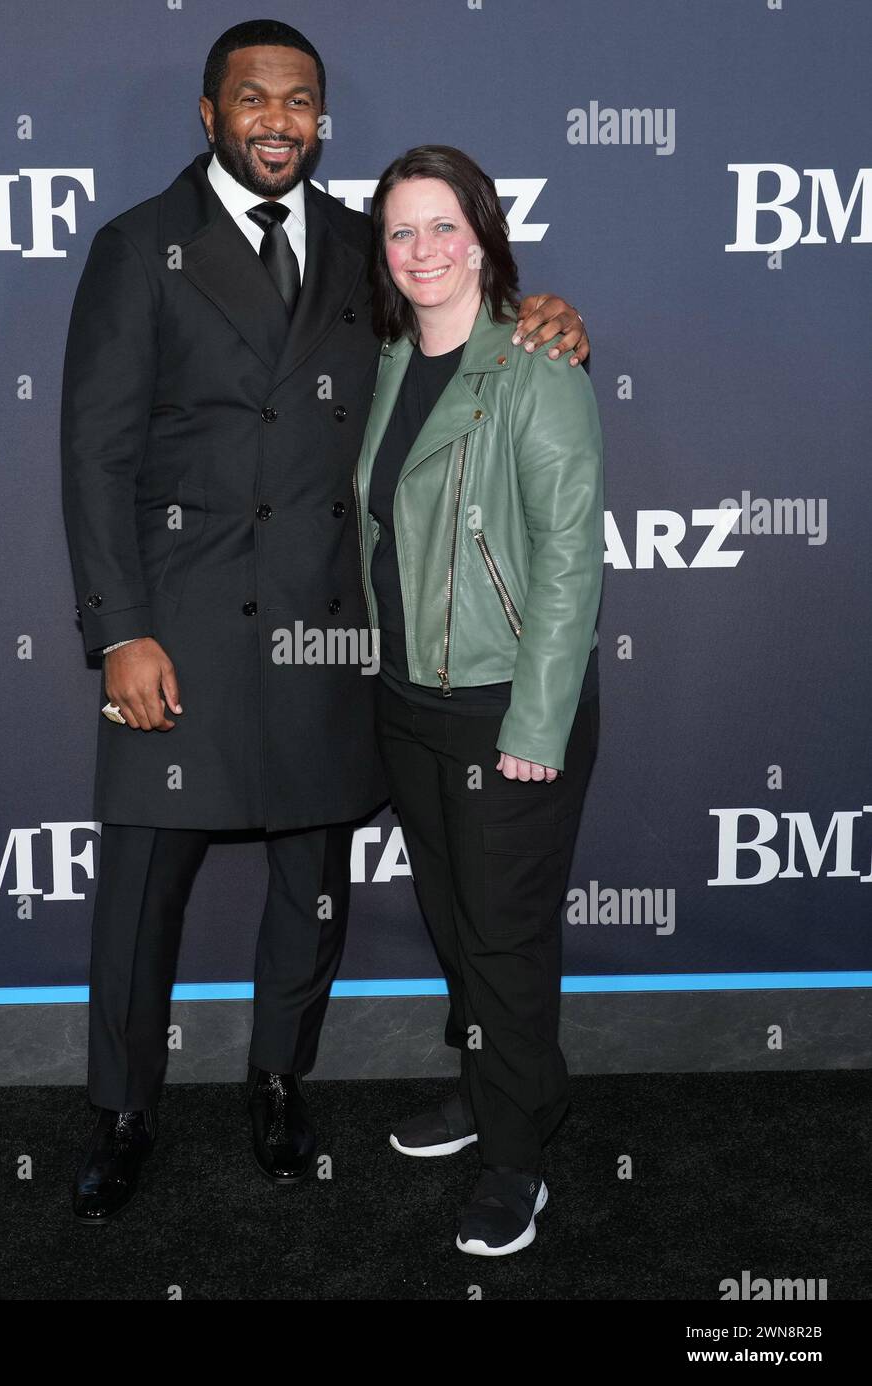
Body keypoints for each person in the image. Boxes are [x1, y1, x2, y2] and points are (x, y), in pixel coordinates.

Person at [60, 20, 591, 1224]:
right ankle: (123, 1110)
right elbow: (91, 454)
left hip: (329, 628)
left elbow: (463, 341)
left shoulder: (369, 252)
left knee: (311, 878)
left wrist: (543, 317)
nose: (276, 119)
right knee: (141, 886)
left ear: (320, 118)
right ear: (209, 115)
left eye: (298, 100)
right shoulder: (140, 247)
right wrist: (116, 628)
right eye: (251, 99)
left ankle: (279, 1081)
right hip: (177, 628)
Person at [354, 144, 604, 1255]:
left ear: (484, 236)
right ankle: (498, 1084)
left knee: (502, 941)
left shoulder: (536, 366)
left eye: (442, 227)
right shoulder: (386, 363)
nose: (421, 251)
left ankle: (515, 1161)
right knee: (460, 931)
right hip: (412, 698)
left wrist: (536, 725)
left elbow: (566, 563)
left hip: (508, 699)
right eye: (400, 231)